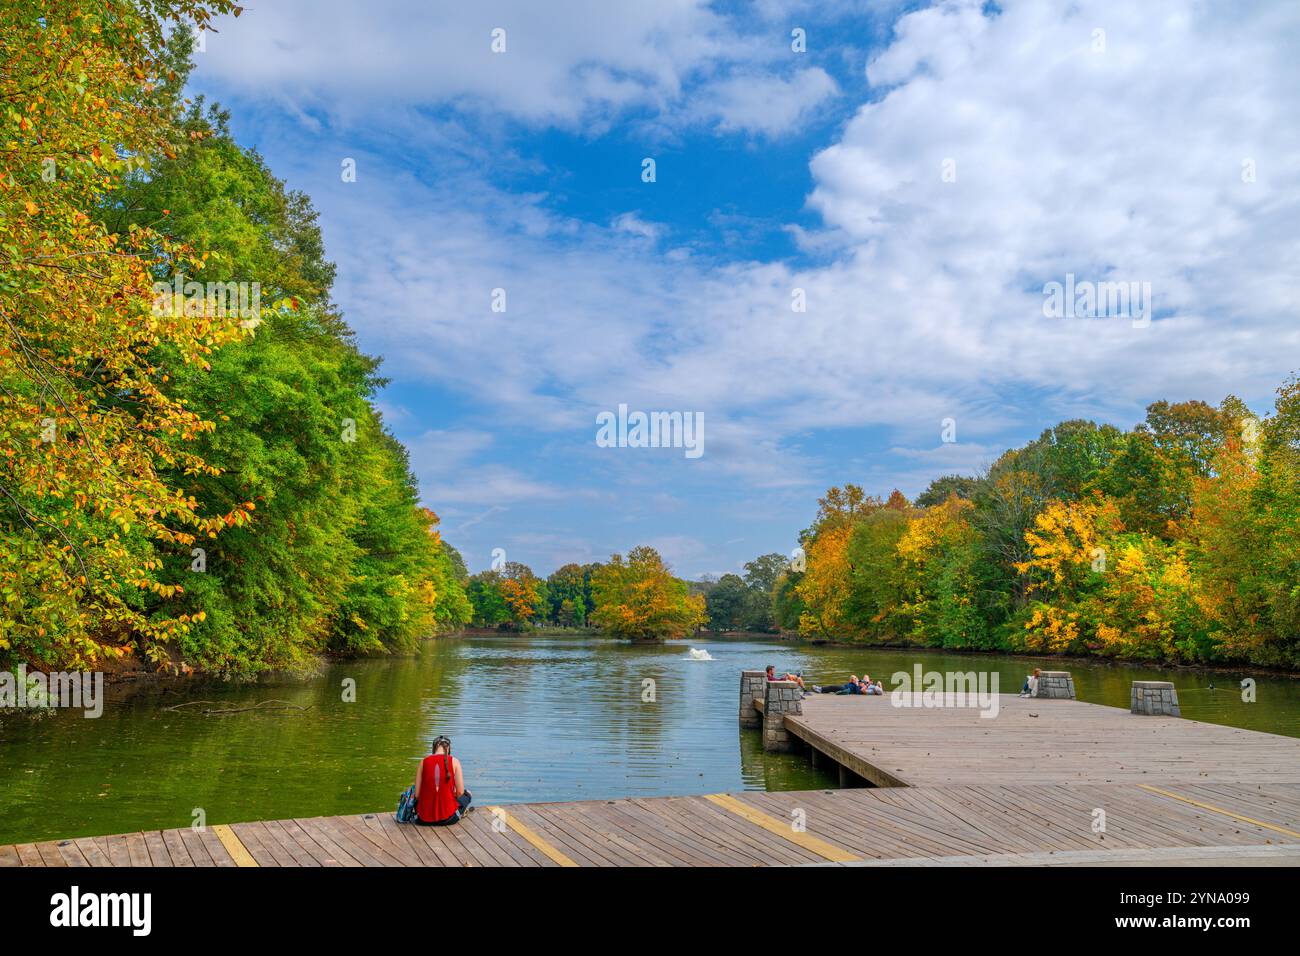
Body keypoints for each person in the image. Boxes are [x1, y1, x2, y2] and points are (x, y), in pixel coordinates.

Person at [414, 735, 472, 826]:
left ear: (434, 748)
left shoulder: (423, 762)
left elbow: (417, 795)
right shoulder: (455, 761)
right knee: (467, 794)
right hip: (448, 819)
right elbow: (460, 792)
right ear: (448, 748)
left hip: (423, 819)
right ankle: (460, 812)